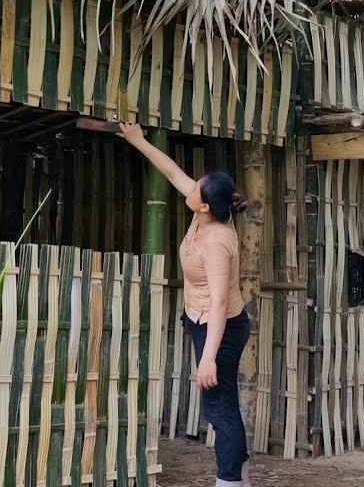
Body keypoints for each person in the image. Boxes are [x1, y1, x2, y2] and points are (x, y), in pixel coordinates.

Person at [117, 123, 252, 487]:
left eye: (196, 188)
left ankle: (229, 482)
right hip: (202, 320)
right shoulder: (203, 212)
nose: (190, 188)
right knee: (223, 401)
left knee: (219, 408)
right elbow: (173, 172)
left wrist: (208, 357)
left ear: (206, 205)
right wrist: (138, 141)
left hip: (220, 327)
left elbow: (222, 301)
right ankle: (239, 476)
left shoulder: (217, 242)